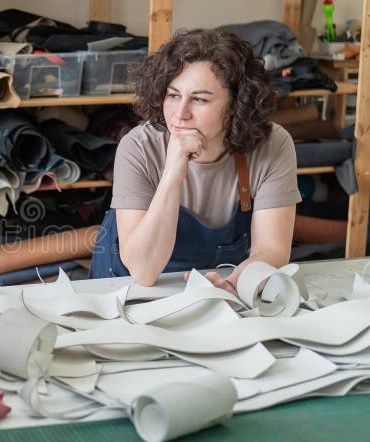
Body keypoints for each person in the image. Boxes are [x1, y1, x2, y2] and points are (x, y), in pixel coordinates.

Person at [89, 28, 300, 293]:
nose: (180, 113)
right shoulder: (138, 147)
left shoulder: (273, 144)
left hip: (220, 287)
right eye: (173, 95)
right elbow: (143, 272)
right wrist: (172, 176)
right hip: (130, 288)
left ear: (237, 104)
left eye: (199, 99)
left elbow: (272, 250)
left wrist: (234, 284)